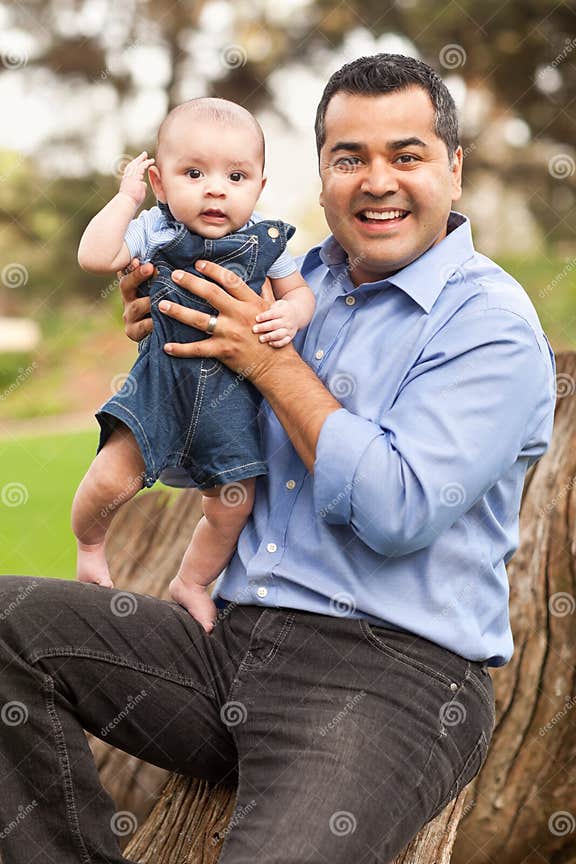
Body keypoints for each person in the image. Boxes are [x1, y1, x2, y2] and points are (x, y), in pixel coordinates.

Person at [0, 53, 556, 864]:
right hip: (228, 645)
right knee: (10, 628)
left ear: (455, 169)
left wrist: (268, 363)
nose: (377, 181)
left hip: (393, 678)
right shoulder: (285, 281)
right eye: (349, 158)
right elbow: (209, 427)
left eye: (406, 155)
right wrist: (169, 325)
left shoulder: (491, 324)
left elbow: (399, 509)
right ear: (320, 174)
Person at [72, 98, 315, 633]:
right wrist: (124, 201)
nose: (216, 188)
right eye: (194, 173)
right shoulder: (153, 230)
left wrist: (289, 315)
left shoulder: (269, 241)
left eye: (236, 175)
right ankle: (91, 545)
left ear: (259, 184)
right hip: (160, 385)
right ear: (160, 184)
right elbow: (94, 257)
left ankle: (193, 580)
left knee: (233, 501)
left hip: (230, 399)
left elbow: (300, 294)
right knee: (111, 478)